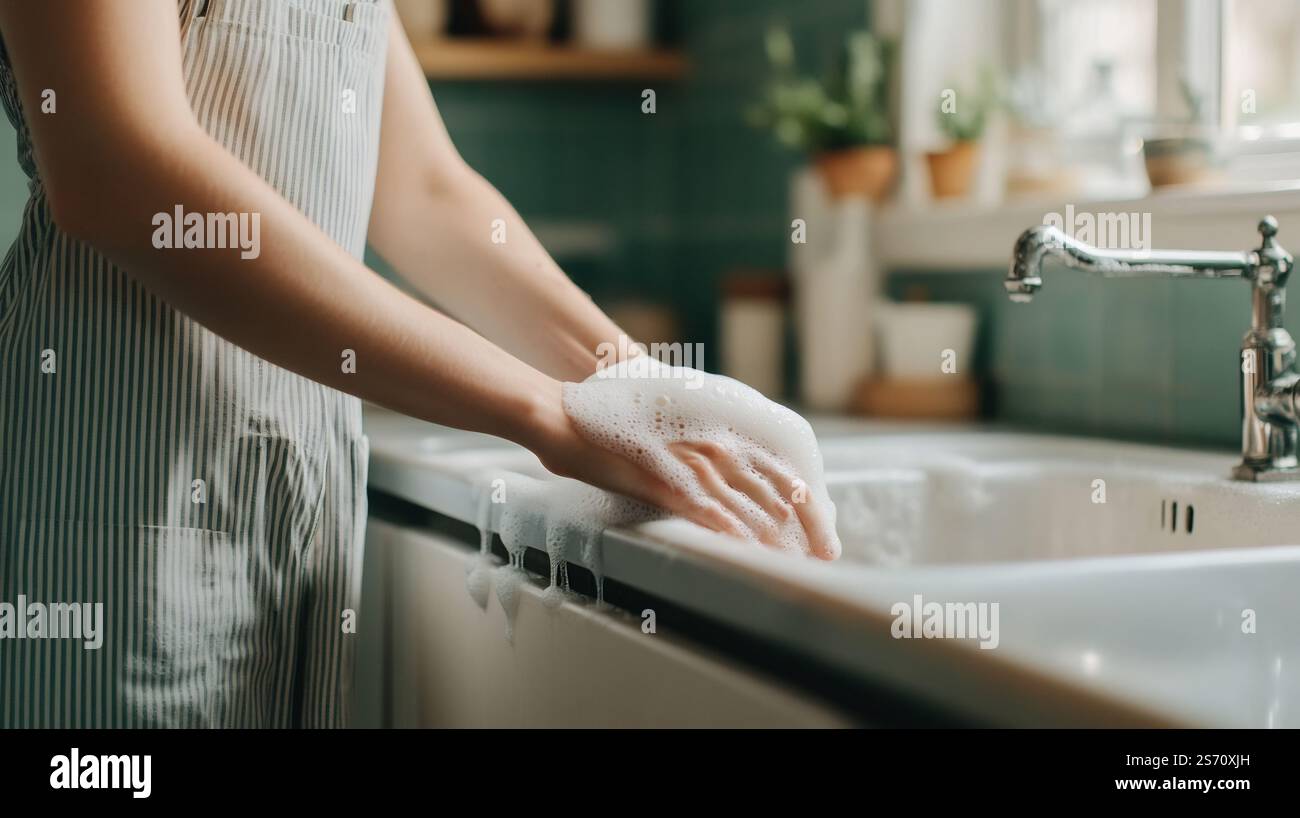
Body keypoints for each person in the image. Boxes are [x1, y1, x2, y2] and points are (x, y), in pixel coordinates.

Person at [0, 0, 834, 728]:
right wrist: (545, 411)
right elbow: (117, 166)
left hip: (296, 503)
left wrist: (632, 386)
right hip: (109, 487)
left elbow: (425, 192)